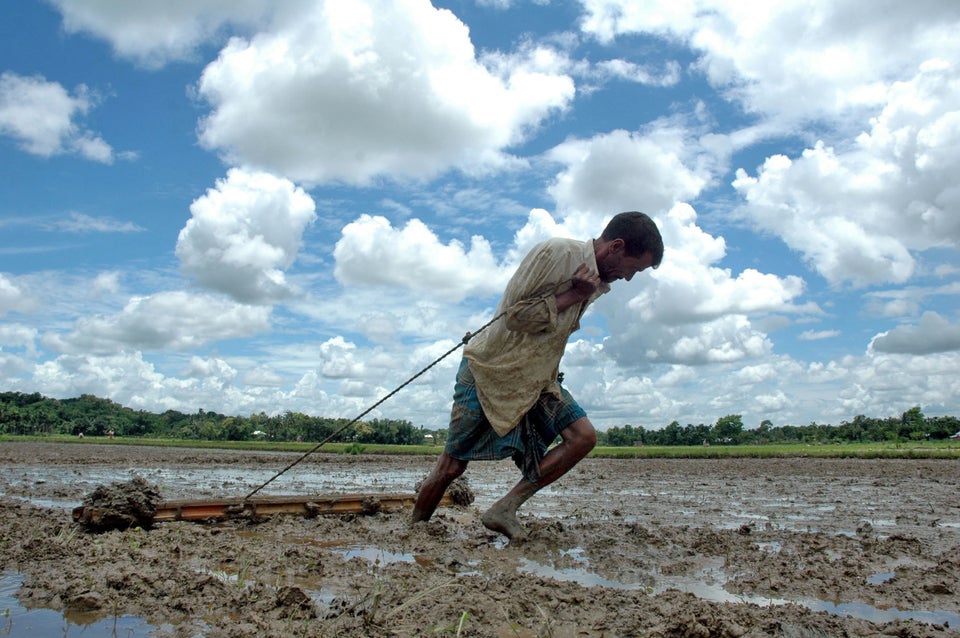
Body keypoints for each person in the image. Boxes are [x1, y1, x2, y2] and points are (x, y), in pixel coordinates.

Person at [411, 211, 664, 542]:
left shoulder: (598, 281)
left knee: (583, 437)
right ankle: (414, 531)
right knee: (452, 467)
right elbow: (515, 316)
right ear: (617, 247)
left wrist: (582, 293)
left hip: (538, 378)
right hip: (492, 371)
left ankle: (504, 508)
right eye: (633, 268)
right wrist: (574, 294)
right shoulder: (557, 253)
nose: (629, 278)